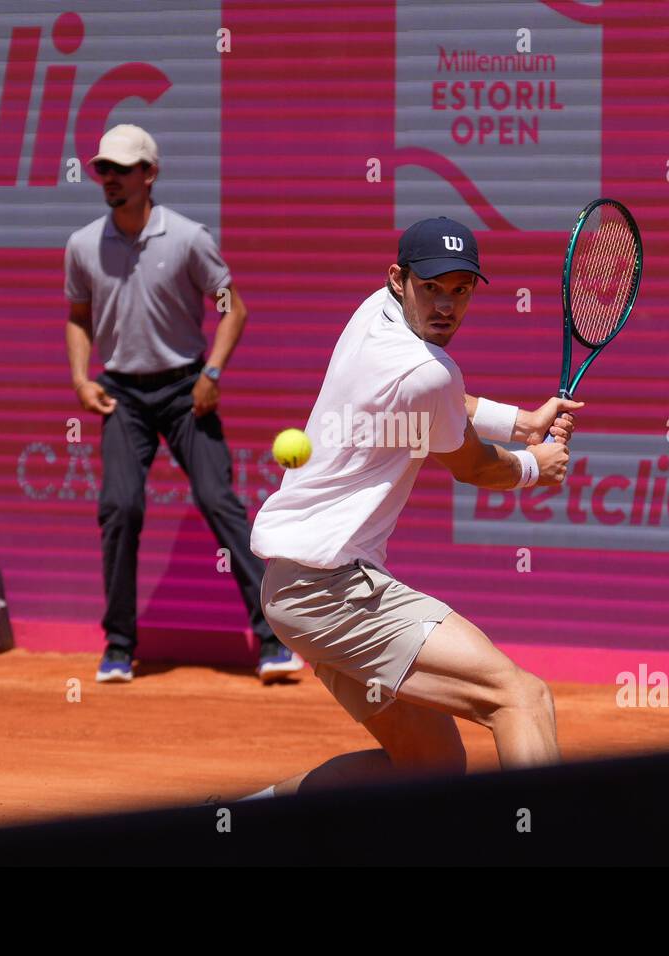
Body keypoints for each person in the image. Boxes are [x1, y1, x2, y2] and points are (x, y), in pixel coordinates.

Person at [244, 216, 581, 798]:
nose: (446, 304)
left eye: (461, 289)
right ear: (399, 279)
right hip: (333, 590)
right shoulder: (427, 370)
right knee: (520, 697)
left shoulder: (374, 311)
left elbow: (444, 394)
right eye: (432, 287)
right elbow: (475, 464)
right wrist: (536, 466)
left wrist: (523, 421)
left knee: (428, 768)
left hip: (290, 590)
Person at [63, 124, 302, 685]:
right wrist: (80, 379)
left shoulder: (189, 239)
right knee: (120, 508)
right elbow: (78, 317)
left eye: (122, 170)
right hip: (121, 393)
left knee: (221, 504)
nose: (110, 180)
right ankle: (119, 646)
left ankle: (272, 641)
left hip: (185, 391)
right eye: (103, 170)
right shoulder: (82, 247)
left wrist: (212, 374)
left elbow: (232, 308)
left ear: (149, 174)